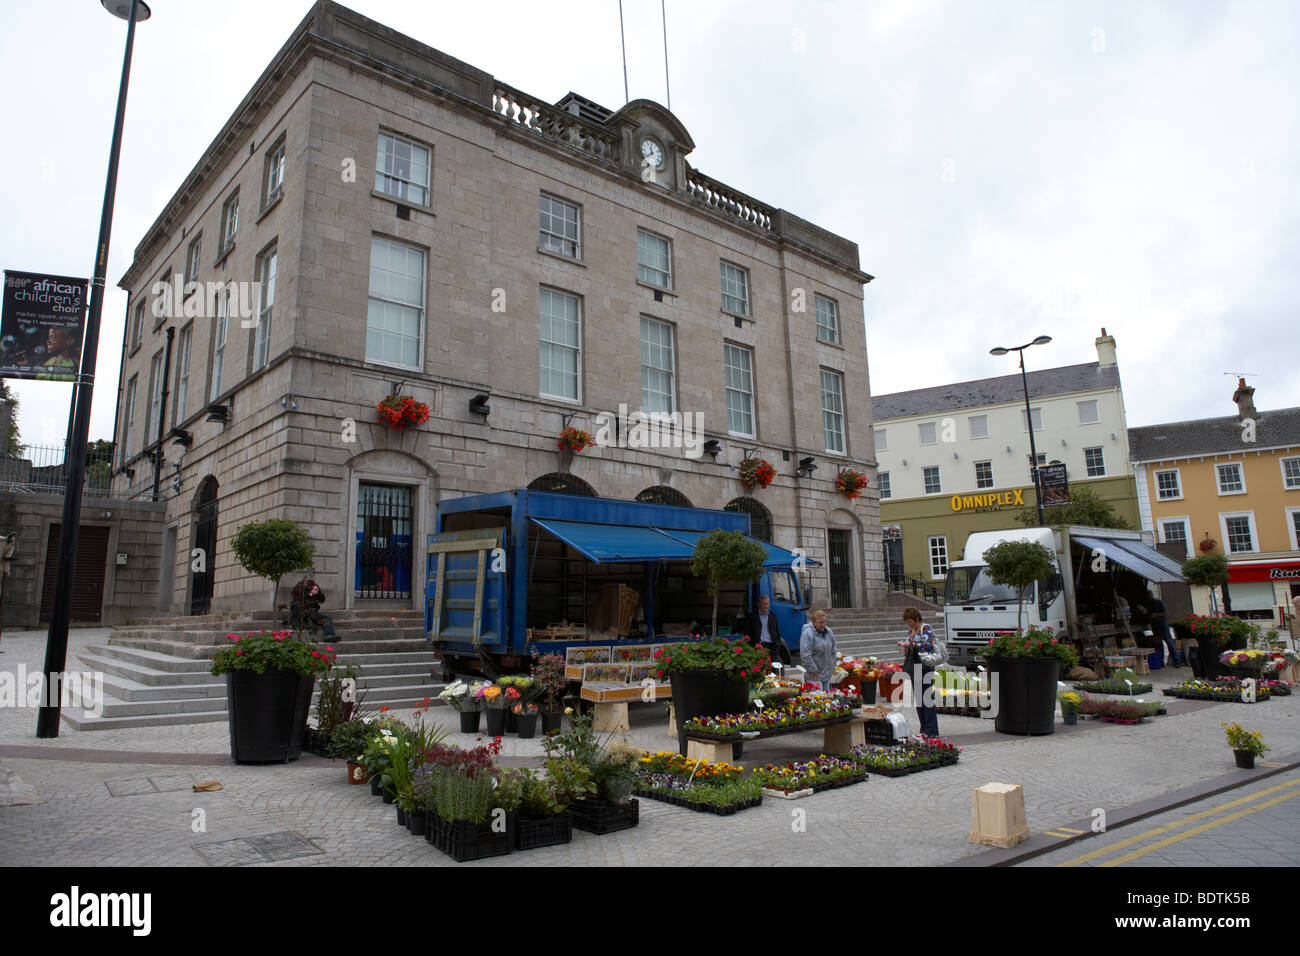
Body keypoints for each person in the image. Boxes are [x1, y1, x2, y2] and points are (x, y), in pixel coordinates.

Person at [896, 607, 939, 736]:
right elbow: (911, 646)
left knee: (927, 697)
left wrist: (911, 645)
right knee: (919, 699)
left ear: (916, 618)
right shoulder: (910, 631)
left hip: (925, 666)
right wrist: (904, 647)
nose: (909, 624)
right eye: (907, 622)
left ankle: (932, 730)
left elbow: (928, 645)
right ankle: (924, 728)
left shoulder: (925, 628)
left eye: (910, 621)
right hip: (915, 666)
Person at [744, 595, 792, 665]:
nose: (765, 606)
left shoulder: (773, 616)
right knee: (759, 669)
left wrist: (777, 646)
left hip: (771, 648)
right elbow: (747, 633)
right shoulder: (752, 617)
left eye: (767, 603)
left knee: (775, 670)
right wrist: (751, 646)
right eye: (763, 603)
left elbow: (777, 632)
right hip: (757, 647)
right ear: (758, 604)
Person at [798, 609, 836, 689]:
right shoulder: (808, 633)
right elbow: (806, 655)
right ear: (814, 622)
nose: (823, 625)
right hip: (813, 676)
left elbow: (833, 651)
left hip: (826, 674)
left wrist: (832, 666)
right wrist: (814, 670)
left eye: (824, 622)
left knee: (827, 699)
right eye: (820, 622)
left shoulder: (828, 632)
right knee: (818, 699)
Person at [1145, 588, 1183, 667]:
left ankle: (1177, 660)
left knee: (1169, 641)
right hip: (1155, 624)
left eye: (1149, 595)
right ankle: (1161, 662)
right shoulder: (1148, 605)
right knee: (1158, 643)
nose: (1148, 597)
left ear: (1151, 595)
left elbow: (1166, 612)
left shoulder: (1158, 602)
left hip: (1162, 623)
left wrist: (1156, 615)